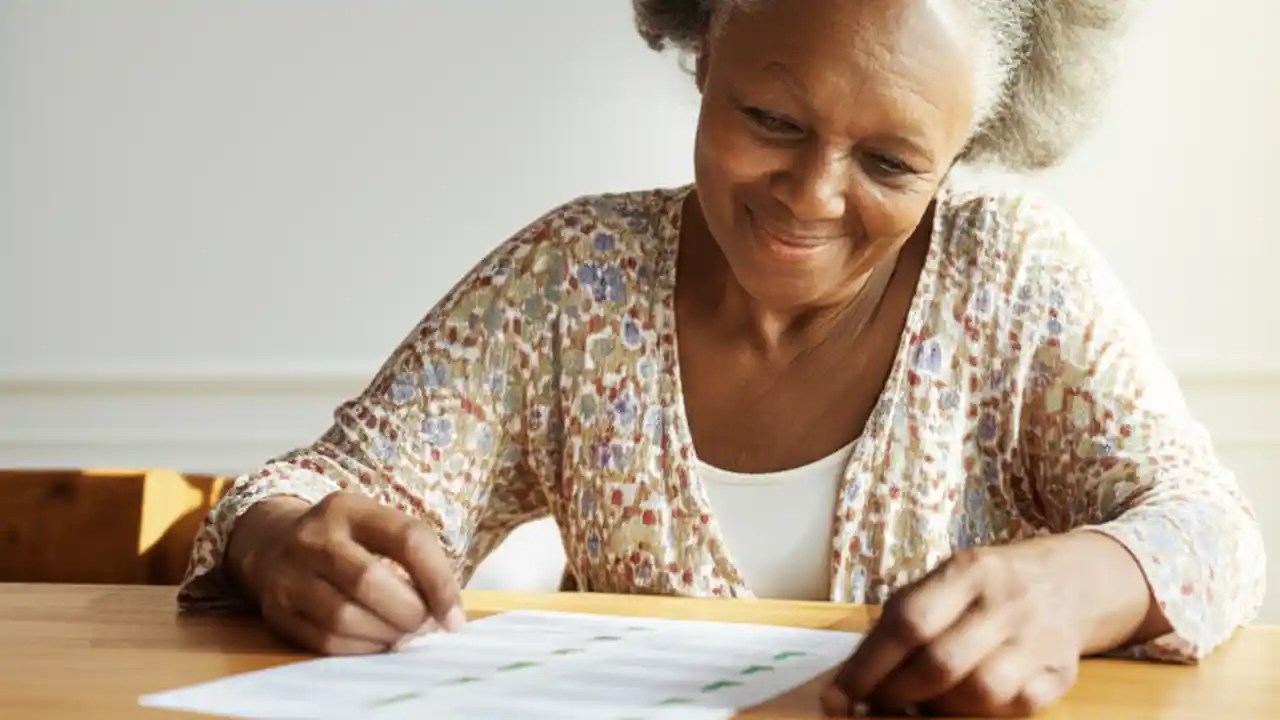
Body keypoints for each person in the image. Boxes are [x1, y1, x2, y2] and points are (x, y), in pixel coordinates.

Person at [179, 0, 1266, 716]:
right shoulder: (576, 276)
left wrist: (1074, 588)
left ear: (961, 151)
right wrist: (282, 544)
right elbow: (303, 490)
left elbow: (1208, 533)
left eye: (889, 161)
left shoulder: (1014, 278)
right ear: (705, 50)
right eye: (769, 118)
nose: (811, 195)